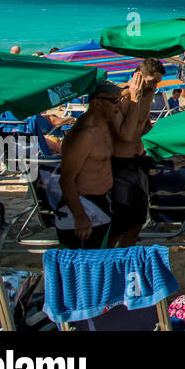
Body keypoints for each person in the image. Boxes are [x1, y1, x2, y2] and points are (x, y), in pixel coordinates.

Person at [56, 81, 121, 249]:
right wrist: (79, 216)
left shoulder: (104, 125)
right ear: (97, 103)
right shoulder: (83, 134)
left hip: (102, 201)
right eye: (115, 100)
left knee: (100, 261)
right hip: (83, 206)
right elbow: (66, 179)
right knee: (83, 269)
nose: (119, 104)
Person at [109, 58, 165, 247]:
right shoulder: (123, 97)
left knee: (137, 221)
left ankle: (127, 254)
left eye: (157, 82)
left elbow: (144, 123)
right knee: (118, 223)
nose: (154, 87)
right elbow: (124, 135)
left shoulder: (148, 95)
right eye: (152, 82)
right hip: (120, 164)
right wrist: (135, 99)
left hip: (140, 161)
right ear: (138, 76)